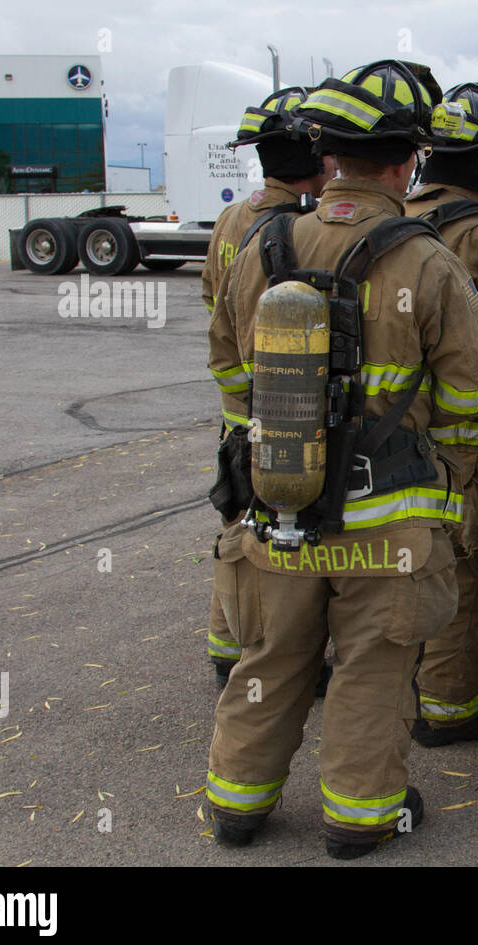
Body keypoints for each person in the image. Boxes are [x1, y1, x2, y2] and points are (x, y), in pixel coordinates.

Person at [204, 59, 478, 857]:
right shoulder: (427, 257)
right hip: (389, 520)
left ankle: (236, 806)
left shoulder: (261, 243)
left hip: (277, 503)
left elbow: (230, 370)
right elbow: (476, 392)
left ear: (327, 154)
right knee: (372, 670)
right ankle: (359, 819)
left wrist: (275, 437)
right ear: (407, 161)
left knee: (271, 660)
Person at [203, 88, 336, 687]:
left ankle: (227, 644)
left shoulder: (234, 216)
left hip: (240, 406)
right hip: (286, 407)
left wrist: (238, 398)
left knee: (237, 523)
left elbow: (215, 306)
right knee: (275, 535)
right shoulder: (295, 225)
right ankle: (266, 651)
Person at [403, 82, 478, 746]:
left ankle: (418, 676)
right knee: (468, 575)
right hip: (467, 445)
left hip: (392, 441)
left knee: (407, 564)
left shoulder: (392, 223)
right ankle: (451, 705)